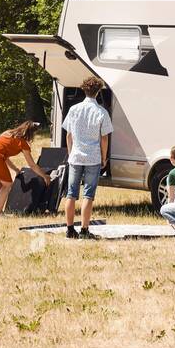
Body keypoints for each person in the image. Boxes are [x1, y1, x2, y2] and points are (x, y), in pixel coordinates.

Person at [62, 76, 113, 240]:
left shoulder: (74, 109)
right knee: (88, 195)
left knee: (71, 194)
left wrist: (70, 153)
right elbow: (104, 138)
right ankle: (84, 230)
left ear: (84, 90)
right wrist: (104, 157)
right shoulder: (101, 112)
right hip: (93, 157)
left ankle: (70, 230)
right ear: (98, 92)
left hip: (75, 156)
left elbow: (68, 135)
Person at [0, 121, 49, 216]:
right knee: (7, 185)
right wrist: (44, 176)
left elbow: (5, 157)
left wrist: (16, 170)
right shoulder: (23, 143)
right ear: (30, 134)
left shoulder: (7, 133)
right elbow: (32, 165)